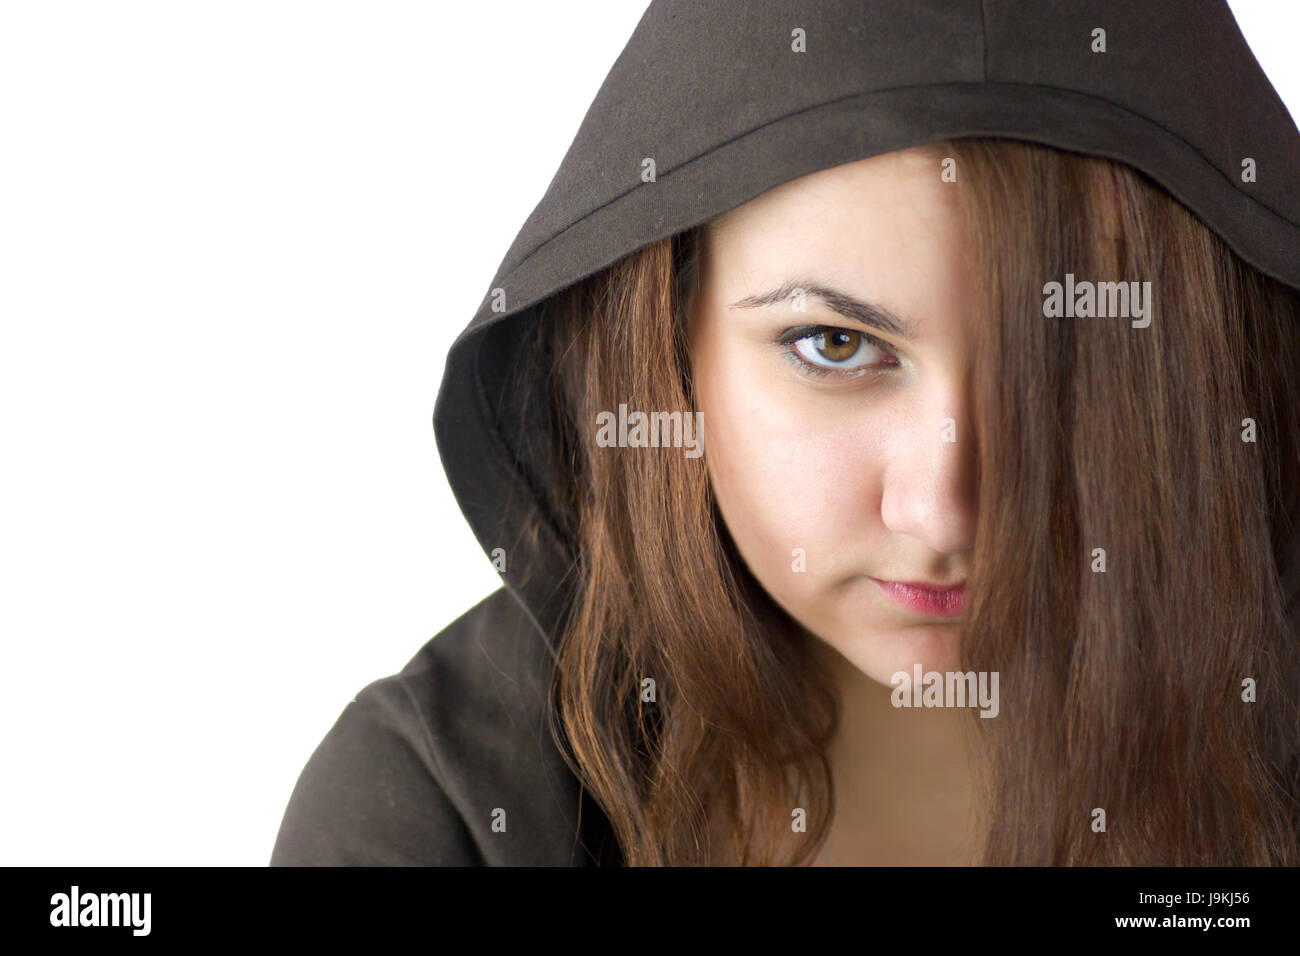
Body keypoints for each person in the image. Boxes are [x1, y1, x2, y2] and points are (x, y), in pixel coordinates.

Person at [270, 0, 1300, 866]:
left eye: (1070, 362)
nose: (943, 507)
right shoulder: (442, 812)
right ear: (664, 344)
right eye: (835, 346)